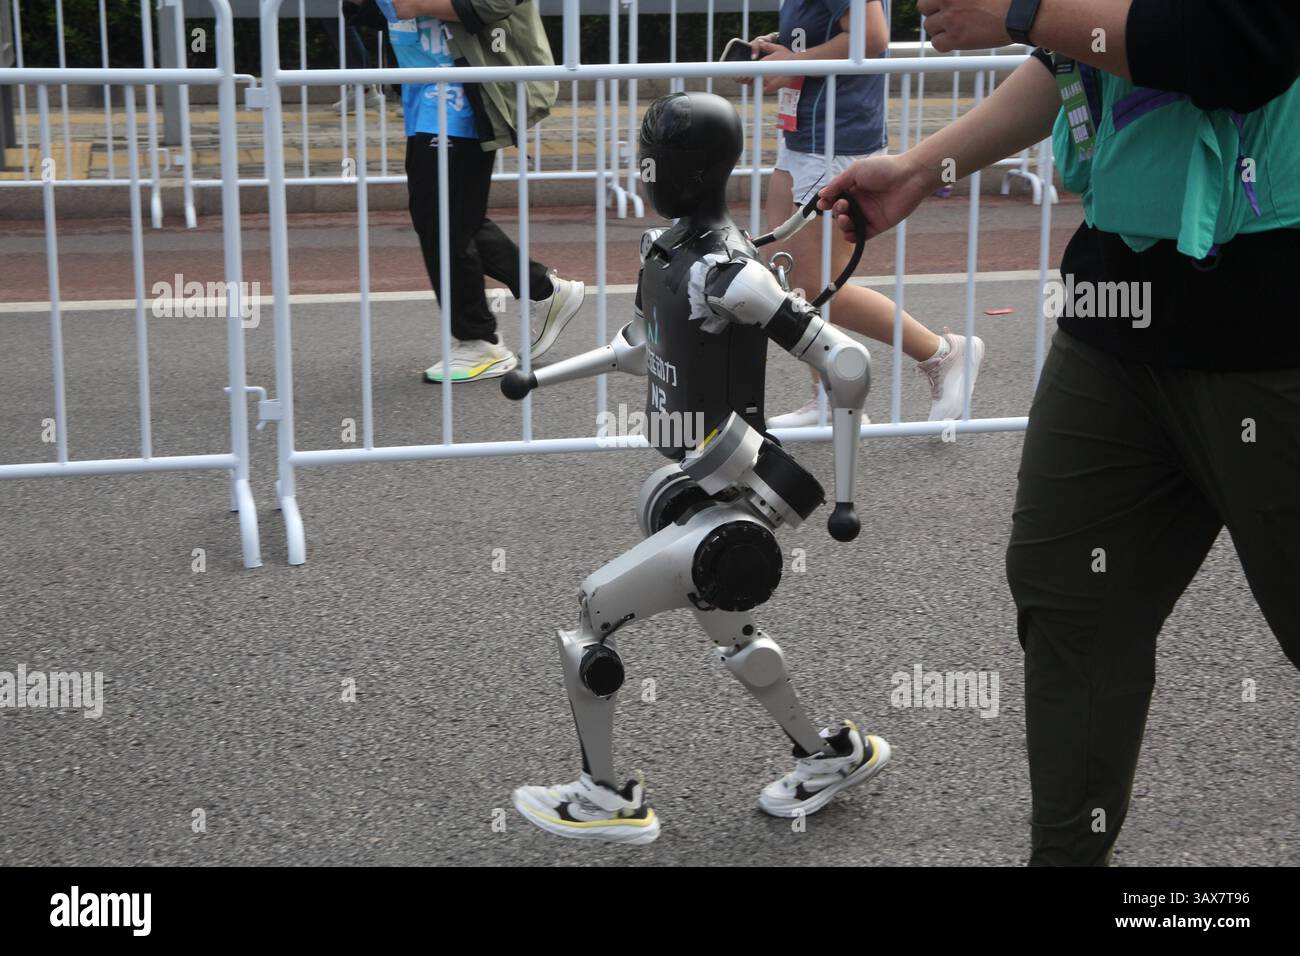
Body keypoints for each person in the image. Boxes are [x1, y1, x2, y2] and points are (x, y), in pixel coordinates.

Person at [819, 0, 1300, 865]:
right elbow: (1079, 57)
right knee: (1071, 607)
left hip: (1277, 335)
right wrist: (924, 168)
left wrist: (1018, 9)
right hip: (1116, 324)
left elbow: (1240, 44)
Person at [505, 93, 891, 844]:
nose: (647, 173)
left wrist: (844, 498)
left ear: (697, 169)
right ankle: (830, 756)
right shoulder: (671, 253)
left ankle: (606, 800)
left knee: (591, 619)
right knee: (735, 634)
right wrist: (542, 378)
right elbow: (645, 349)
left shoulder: (730, 274)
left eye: (658, 161)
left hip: (741, 495)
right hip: (696, 485)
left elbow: (847, 363)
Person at [741, 0, 984, 426]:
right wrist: (777, 51)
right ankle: (826, 398)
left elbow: (871, 38)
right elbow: (829, 32)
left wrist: (793, 58)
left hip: (836, 138)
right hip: (805, 134)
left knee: (818, 287)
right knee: (786, 276)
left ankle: (941, 353)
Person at [360, 0, 586, 383]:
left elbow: (490, 4)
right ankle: (544, 290)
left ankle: (480, 342)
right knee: (451, 216)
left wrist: (413, 4)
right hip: (423, 94)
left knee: (442, 220)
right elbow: (369, 14)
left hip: (462, 97)